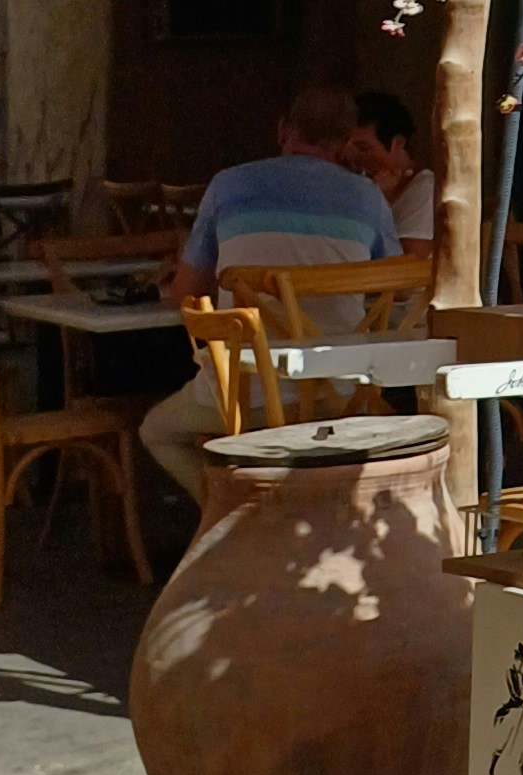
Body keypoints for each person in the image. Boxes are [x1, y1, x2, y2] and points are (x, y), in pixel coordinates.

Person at [139, 86, 399, 505]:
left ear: (283, 129)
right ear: (348, 141)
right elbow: (392, 287)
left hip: (248, 395)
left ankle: (238, 516)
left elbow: (186, 294)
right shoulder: (369, 198)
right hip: (346, 396)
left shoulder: (229, 186)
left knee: (157, 431)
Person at [347, 89, 437, 249]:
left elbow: (412, 260)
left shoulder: (424, 190)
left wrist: (378, 201)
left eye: (363, 148)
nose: (351, 156)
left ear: (398, 143)